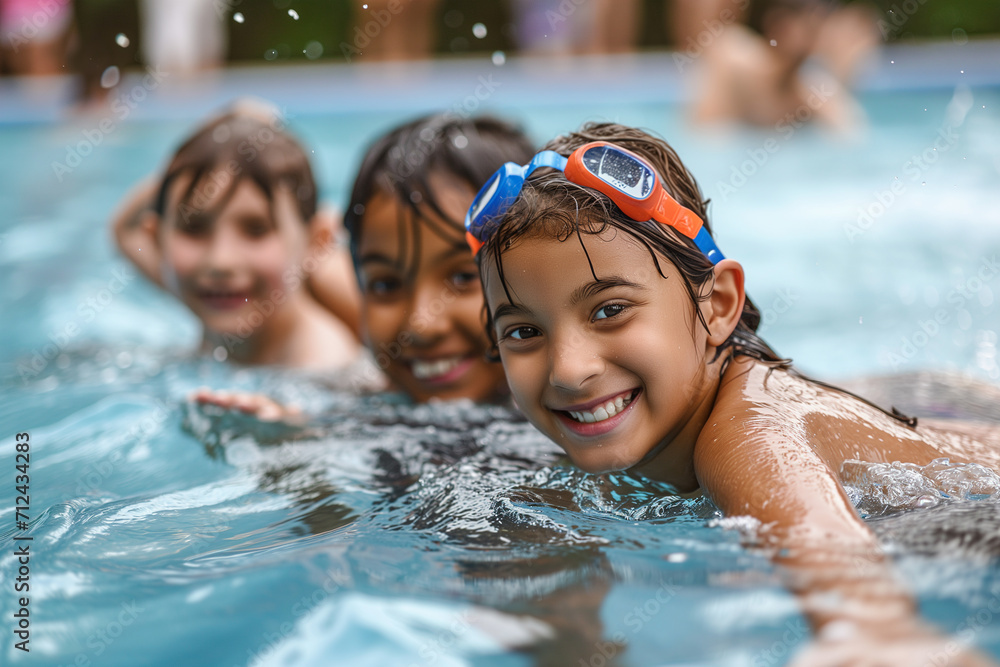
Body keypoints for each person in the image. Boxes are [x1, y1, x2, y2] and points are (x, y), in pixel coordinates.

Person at [466, 121, 1000, 664]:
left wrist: (866, 627)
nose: (568, 371)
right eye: (524, 332)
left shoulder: (748, 433)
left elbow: (845, 579)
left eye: (610, 311)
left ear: (718, 305)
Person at [195, 113, 535, 415]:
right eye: (385, 285)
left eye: (463, 277)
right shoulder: (356, 406)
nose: (421, 325)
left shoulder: (562, 427)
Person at [111, 101, 361, 371]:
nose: (221, 261)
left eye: (256, 230)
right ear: (158, 240)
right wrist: (217, 143)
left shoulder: (325, 365)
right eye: (193, 228)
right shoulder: (211, 291)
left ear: (315, 242)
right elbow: (125, 228)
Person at [690, 0, 878, 132]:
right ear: (778, 25)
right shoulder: (732, 59)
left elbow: (852, 135)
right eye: (811, 26)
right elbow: (706, 136)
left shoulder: (810, 92)